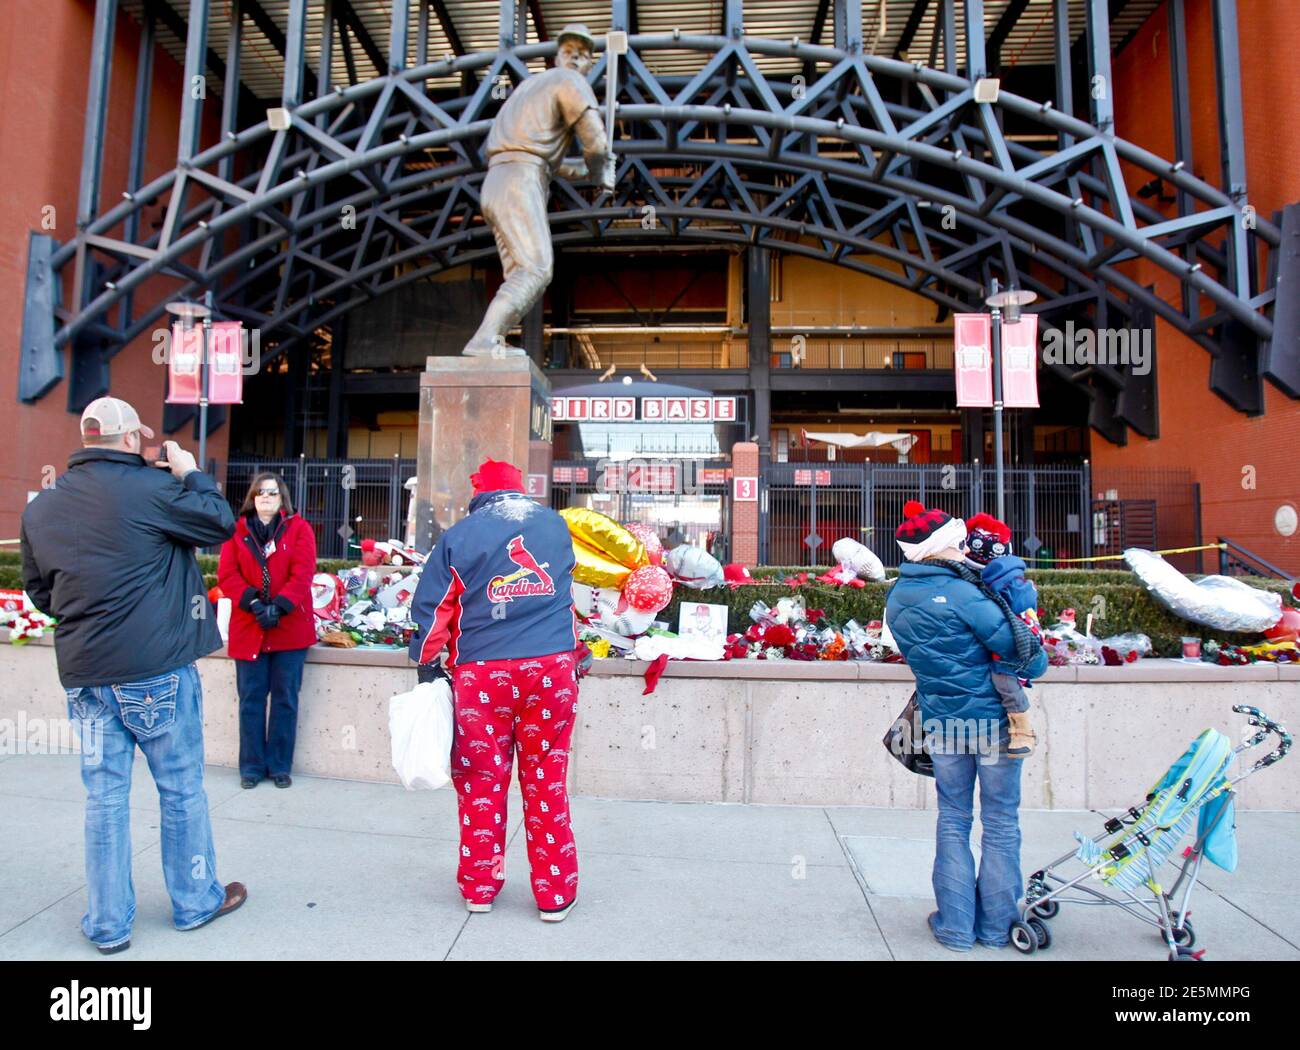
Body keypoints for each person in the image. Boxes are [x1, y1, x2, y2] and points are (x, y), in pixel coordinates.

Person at [19, 397, 247, 954]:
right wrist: (189, 469)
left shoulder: (42, 508)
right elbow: (220, 522)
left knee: (104, 797)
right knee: (181, 790)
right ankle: (195, 901)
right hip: (156, 670)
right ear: (126, 439)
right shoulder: (155, 490)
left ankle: (107, 924)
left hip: (86, 674)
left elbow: (40, 591)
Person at [408, 458, 589, 921]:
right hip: (551, 669)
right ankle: (554, 895)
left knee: (482, 784)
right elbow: (564, 594)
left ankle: (480, 888)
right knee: (546, 780)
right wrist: (573, 648)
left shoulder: (460, 536)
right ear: (519, 490)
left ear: (480, 494)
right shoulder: (554, 526)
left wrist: (426, 663)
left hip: (484, 675)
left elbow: (433, 608)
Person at [884, 500, 1048, 953]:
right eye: (957, 541)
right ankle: (996, 928)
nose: (964, 548)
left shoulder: (897, 598)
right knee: (999, 823)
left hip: (941, 725)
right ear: (942, 547)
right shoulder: (966, 594)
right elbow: (1029, 654)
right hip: (994, 725)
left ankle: (955, 926)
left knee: (953, 820)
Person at [462, 24, 611, 356]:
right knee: (536, 269)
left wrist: (586, 170)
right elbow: (597, 143)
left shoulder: (527, 89)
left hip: (500, 180)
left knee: (519, 273)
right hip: (521, 181)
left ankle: (489, 340)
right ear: (558, 57)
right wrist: (602, 171)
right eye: (571, 52)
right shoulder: (571, 82)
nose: (576, 59)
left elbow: (550, 161)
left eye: (583, 55)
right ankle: (483, 340)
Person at [217, 472, 318, 789]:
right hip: (250, 628)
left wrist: (280, 606)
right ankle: (251, 767)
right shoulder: (236, 531)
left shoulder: (299, 529)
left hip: (289, 629)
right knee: (251, 700)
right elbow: (227, 574)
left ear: (282, 498)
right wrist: (254, 605)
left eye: (272, 493)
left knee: (285, 699)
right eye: (260, 493)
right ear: (252, 497)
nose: (266, 498)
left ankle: (279, 765)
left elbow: (303, 573)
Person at [964, 513, 1042, 758]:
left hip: (1009, 640)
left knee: (1004, 677)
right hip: (992, 641)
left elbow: (1024, 602)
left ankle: (1022, 728)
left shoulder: (1007, 580)